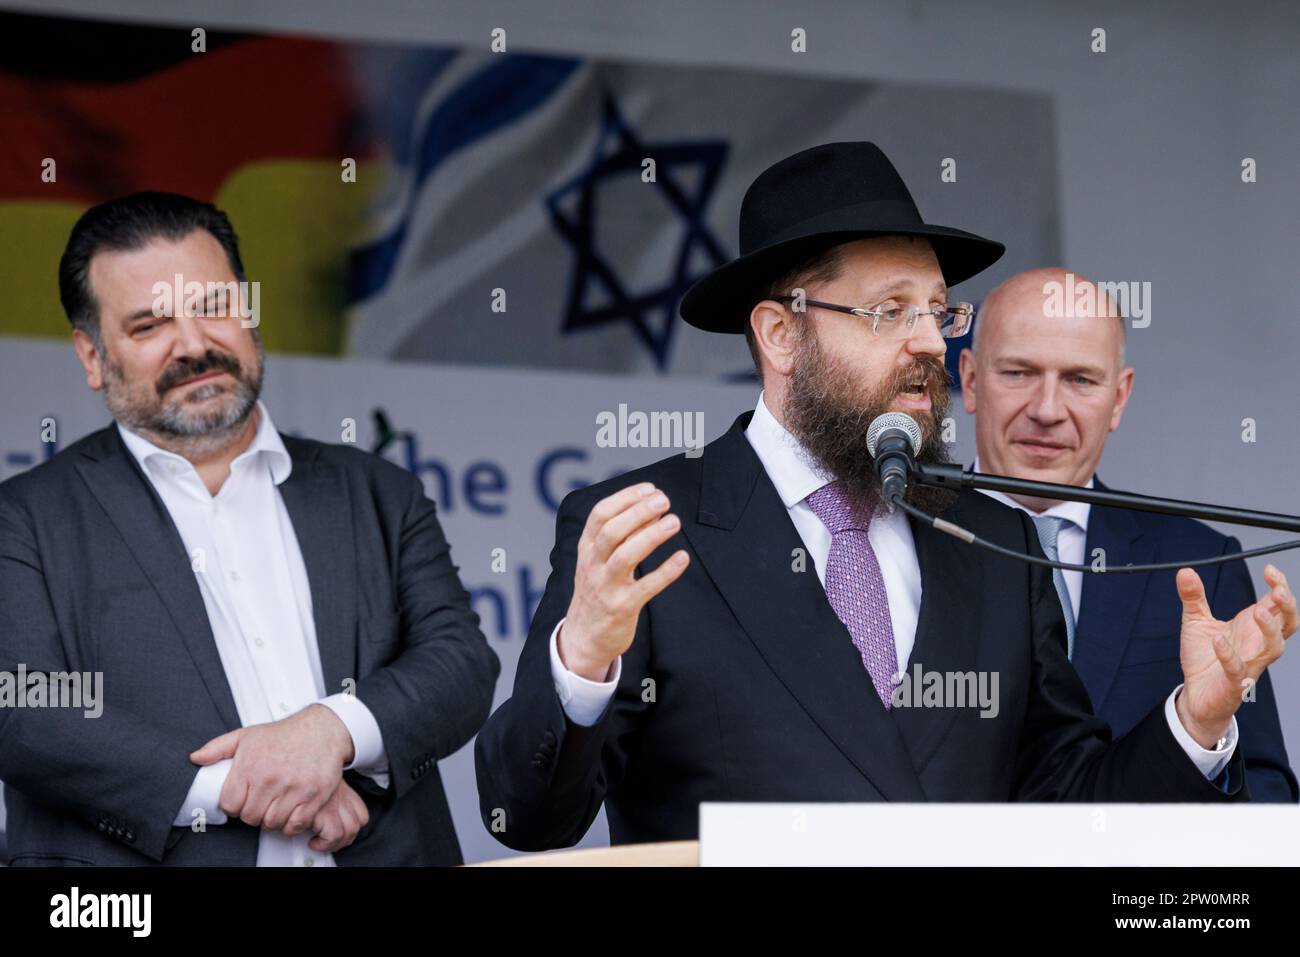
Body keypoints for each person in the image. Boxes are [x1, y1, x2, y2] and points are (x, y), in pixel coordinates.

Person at [474, 142, 1295, 851]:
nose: (932, 341)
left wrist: (1197, 716)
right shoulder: (645, 524)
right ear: (781, 333)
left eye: (940, 310)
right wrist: (581, 663)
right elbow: (528, 817)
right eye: (891, 310)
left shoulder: (995, 547)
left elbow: (1070, 820)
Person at [0, 192, 499, 865]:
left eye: (214, 307)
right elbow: (22, 708)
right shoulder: (24, 518)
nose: (195, 344)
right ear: (92, 357)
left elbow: (461, 662)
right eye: (149, 326)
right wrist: (240, 786)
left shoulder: (376, 490)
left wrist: (333, 733)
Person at [960, 267, 1296, 801]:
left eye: (1080, 380)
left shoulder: (1200, 564)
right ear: (972, 381)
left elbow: (1268, 798)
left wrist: (1203, 736)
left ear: (1119, 398)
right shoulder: (894, 541)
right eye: (1019, 373)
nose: (1047, 410)